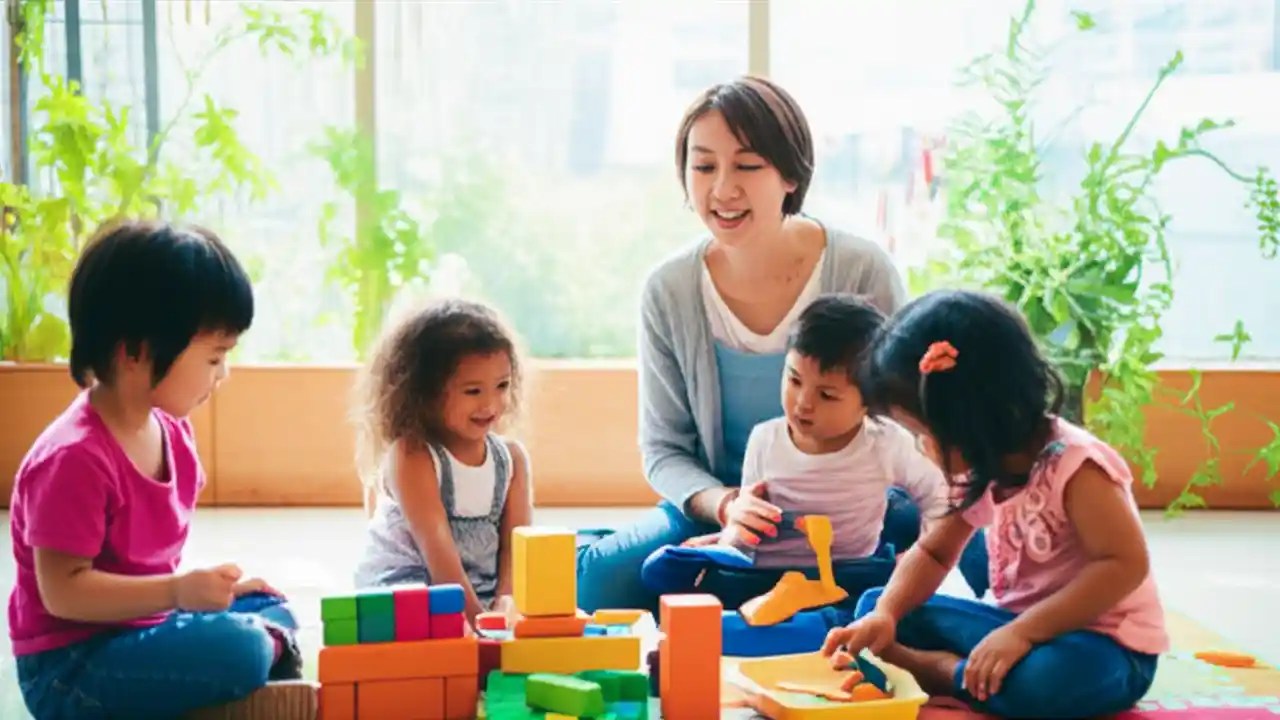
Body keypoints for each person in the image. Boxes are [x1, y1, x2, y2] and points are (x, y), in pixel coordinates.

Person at [575, 74, 987, 612]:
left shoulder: (862, 271)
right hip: (724, 504)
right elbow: (663, 449)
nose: (722, 189)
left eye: (747, 166)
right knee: (598, 584)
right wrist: (726, 506)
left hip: (852, 493)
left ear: (791, 174)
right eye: (703, 167)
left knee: (972, 523)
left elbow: (904, 420)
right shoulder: (668, 291)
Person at [820, 289, 1168, 718]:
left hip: (1103, 645)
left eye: (921, 434)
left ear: (967, 422)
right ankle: (971, 674)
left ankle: (940, 673)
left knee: (1046, 682)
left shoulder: (1078, 468)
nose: (920, 448)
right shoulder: (982, 462)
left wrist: (1023, 633)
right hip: (1014, 628)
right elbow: (933, 551)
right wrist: (888, 614)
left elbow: (1124, 564)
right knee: (873, 606)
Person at [8, 219, 304, 720]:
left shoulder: (171, 432)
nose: (223, 375)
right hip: (72, 667)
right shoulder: (73, 459)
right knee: (243, 649)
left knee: (271, 609)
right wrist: (177, 592)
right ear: (135, 351)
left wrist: (215, 593)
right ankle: (252, 659)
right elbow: (63, 591)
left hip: (143, 628)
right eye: (214, 358)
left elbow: (146, 566)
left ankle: (253, 648)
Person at [711, 293, 949, 567]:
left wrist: (919, 557)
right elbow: (748, 528)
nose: (803, 403)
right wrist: (731, 536)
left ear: (869, 402)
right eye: (794, 380)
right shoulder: (764, 440)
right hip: (769, 582)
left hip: (853, 576)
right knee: (669, 567)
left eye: (827, 395)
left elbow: (940, 500)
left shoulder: (886, 442)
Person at [352, 296, 532, 630]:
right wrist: (479, 622)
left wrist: (505, 607)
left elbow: (517, 547)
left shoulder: (512, 460)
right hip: (409, 586)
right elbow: (436, 550)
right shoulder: (413, 455)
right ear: (426, 393)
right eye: (473, 391)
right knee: (426, 623)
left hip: (479, 592)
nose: (491, 403)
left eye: (502, 386)